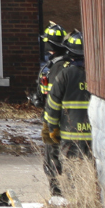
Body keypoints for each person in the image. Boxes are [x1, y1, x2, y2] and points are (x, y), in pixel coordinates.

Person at [44, 28, 93, 196]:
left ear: (70, 53)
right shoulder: (94, 76)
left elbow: (52, 105)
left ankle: (71, 201)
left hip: (69, 134)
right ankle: (87, 199)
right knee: (91, 171)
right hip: (92, 136)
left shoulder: (64, 75)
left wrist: (52, 130)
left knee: (71, 171)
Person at [36, 21, 72, 194]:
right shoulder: (59, 64)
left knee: (52, 157)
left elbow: (54, 96)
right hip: (55, 117)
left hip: (53, 119)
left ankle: (57, 192)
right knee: (52, 157)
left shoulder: (58, 67)